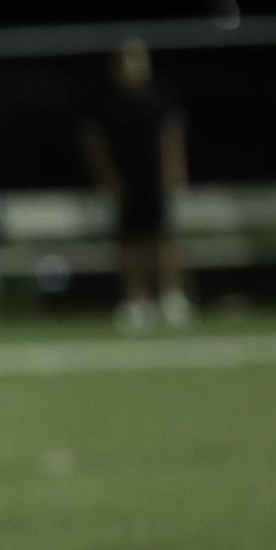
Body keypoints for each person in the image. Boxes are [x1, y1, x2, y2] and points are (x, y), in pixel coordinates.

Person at [77, 38, 193, 332]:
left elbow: (173, 134)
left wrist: (175, 170)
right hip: (125, 179)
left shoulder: (160, 94)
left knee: (164, 237)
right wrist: (107, 177)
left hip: (155, 176)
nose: (134, 66)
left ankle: (170, 297)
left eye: (139, 59)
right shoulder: (106, 101)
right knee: (130, 241)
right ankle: (136, 299)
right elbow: (93, 141)